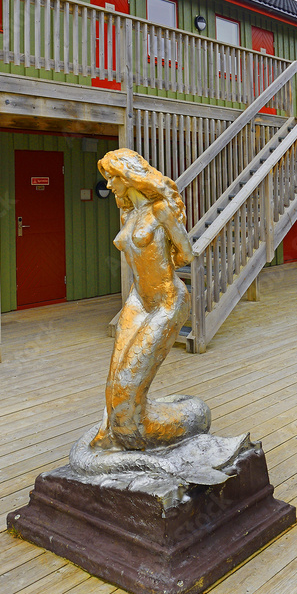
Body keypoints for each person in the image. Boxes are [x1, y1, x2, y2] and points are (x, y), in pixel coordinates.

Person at [91, 149, 208, 452]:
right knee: (114, 376)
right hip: (137, 300)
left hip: (166, 302)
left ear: (129, 177)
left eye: (112, 177)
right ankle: (110, 434)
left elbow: (185, 252)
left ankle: (165, 425)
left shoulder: (160, 210)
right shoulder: (129, 212)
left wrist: (160, 262)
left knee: (128, 379)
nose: (109, 185)